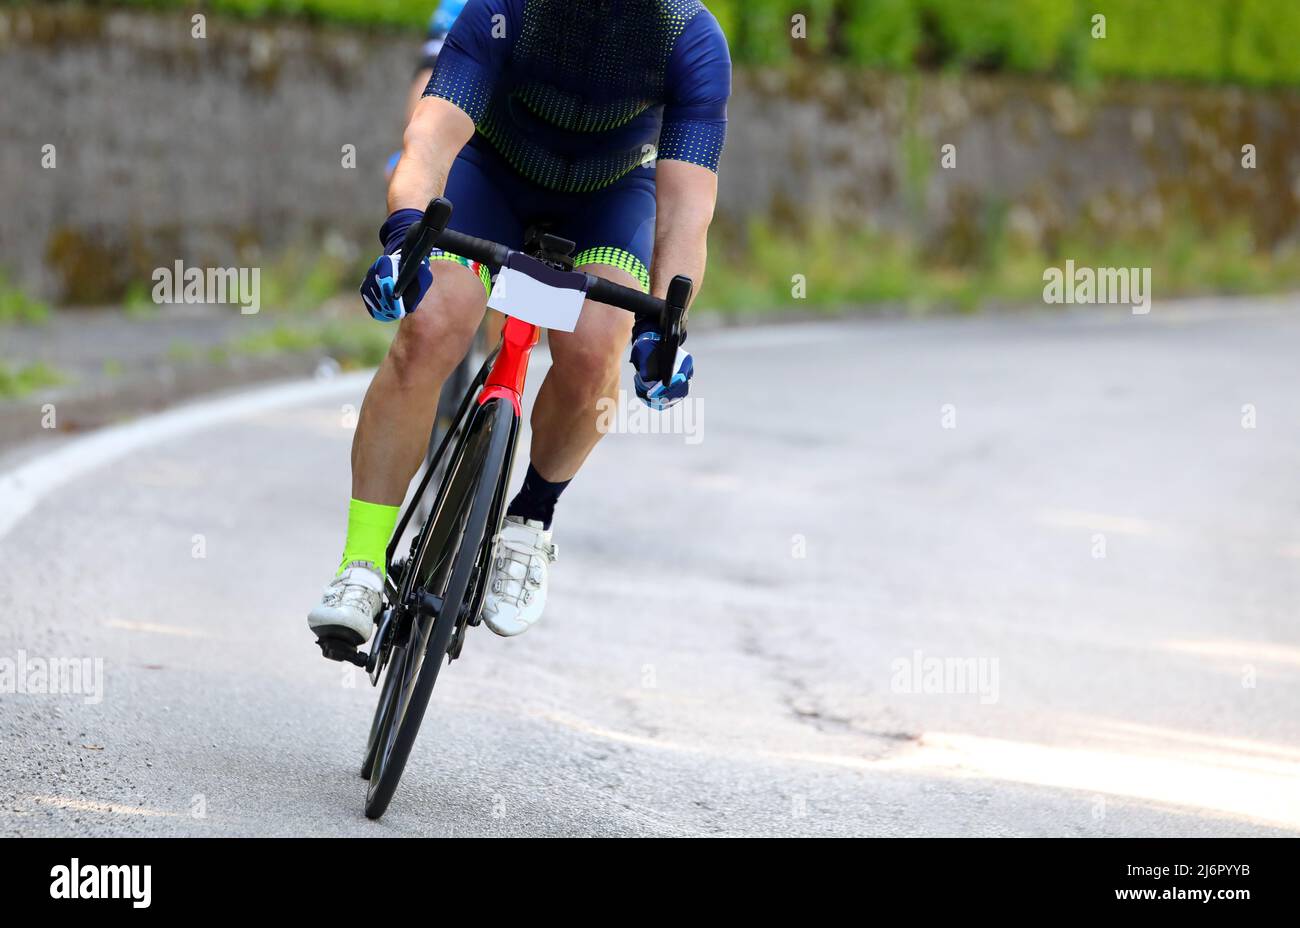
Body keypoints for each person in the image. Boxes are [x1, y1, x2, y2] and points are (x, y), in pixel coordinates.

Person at [308, 0, 731, 645]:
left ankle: (531, 519)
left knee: (595, 351)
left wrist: (666, 326)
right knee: (431, 328)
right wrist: (403, 237)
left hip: (610, 198)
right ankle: (361, 564)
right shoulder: (507, 6)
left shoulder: (691, 38)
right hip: (490, 176)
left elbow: (686, 209)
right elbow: (431, 137)